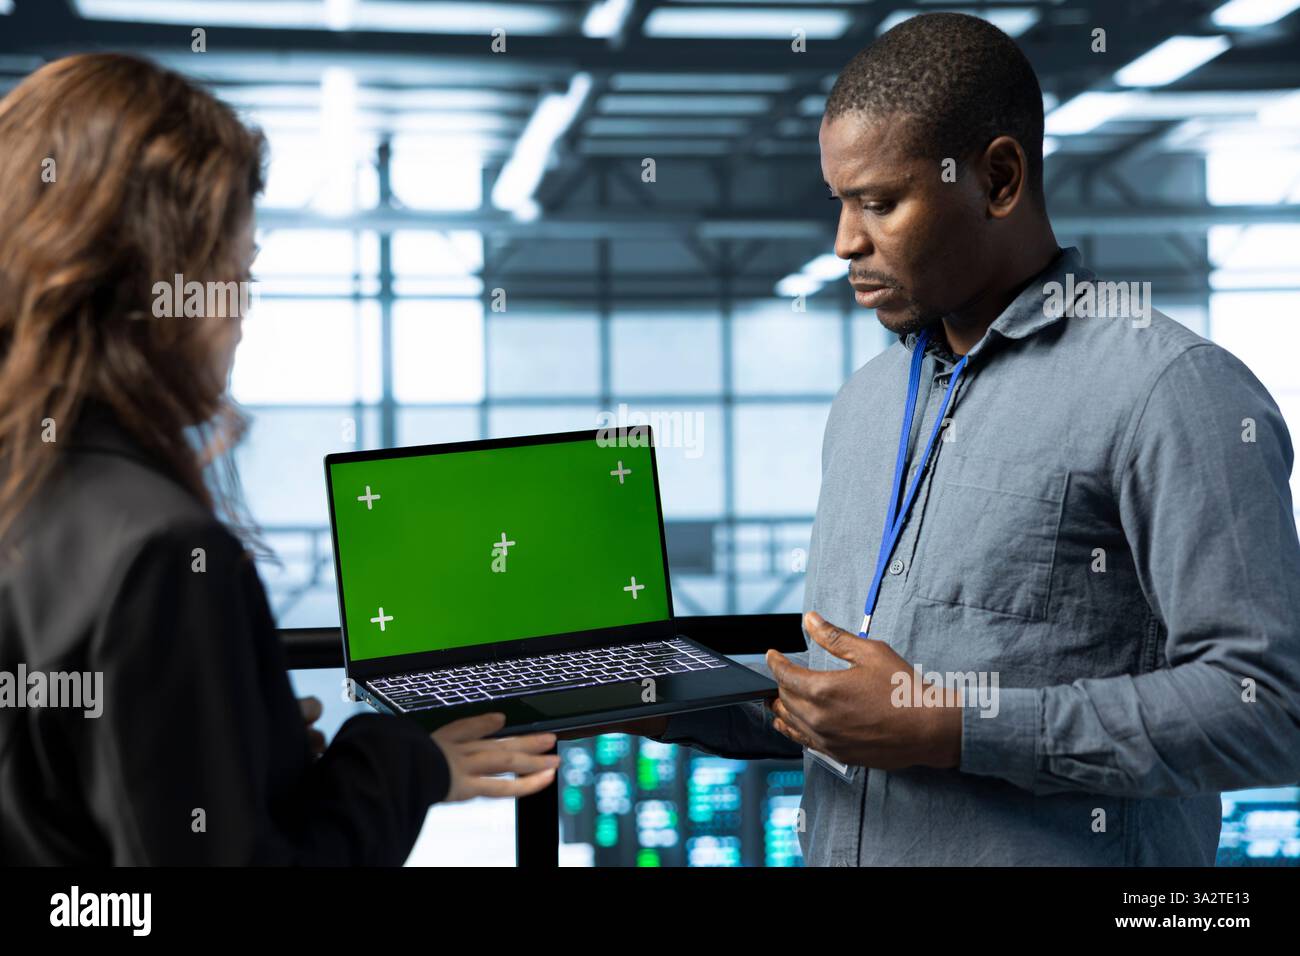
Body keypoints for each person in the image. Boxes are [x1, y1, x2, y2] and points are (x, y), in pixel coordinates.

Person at [604, 12, 1300, 865]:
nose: (844, 243)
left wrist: (953, 726)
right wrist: (647, 696)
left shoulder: (1170, 391)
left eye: (880, 202)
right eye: (841, 203)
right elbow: (849, 714)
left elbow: (1266, 707)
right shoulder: (866, 407)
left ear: (998, 180)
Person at [0, 53, 558, 866]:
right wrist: (397, 762)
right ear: (160, 280)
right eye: (240, 270)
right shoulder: (161, 553)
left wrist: (242, 754)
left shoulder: (33, 492)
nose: (242, 308)